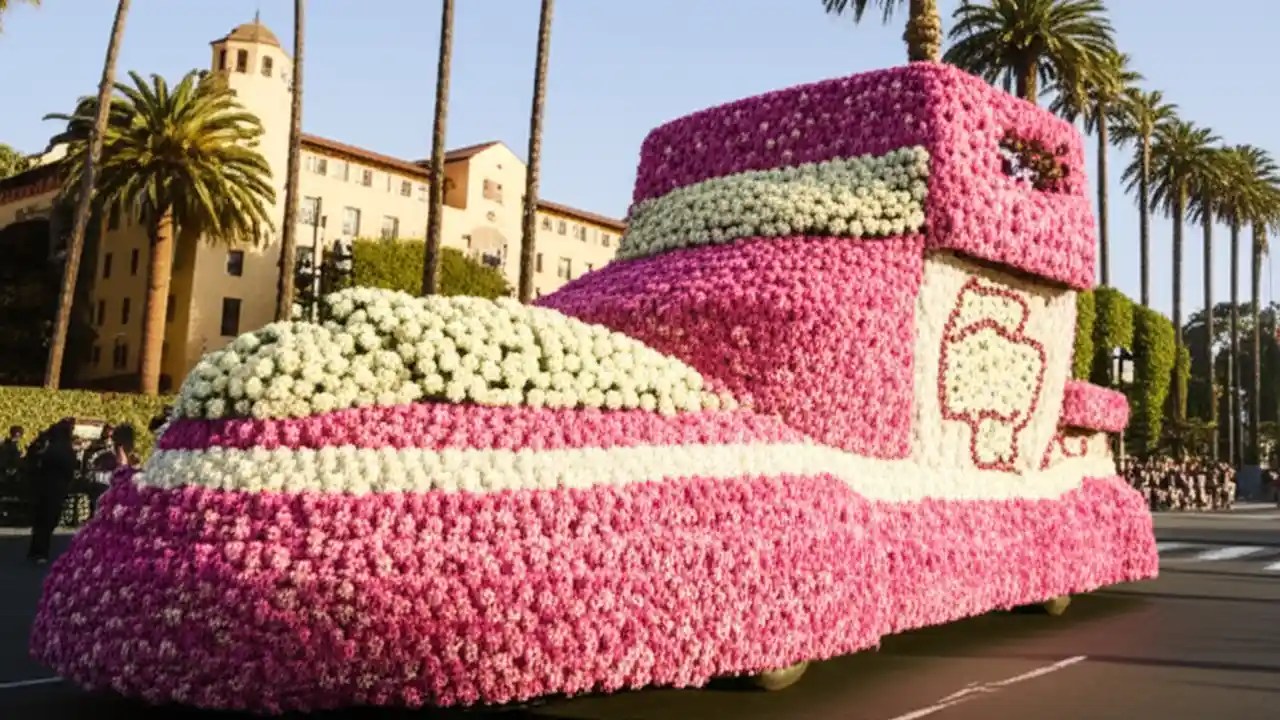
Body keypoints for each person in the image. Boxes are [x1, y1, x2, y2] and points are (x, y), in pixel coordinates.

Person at [27, 419, 77, 564]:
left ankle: (35, 550)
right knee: (48, 520)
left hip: (42, 486)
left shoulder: (48, 447)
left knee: (40, 520)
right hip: (57, 488)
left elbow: (34, 461)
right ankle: (41, 551)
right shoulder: (66, 449)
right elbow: (70, 469)